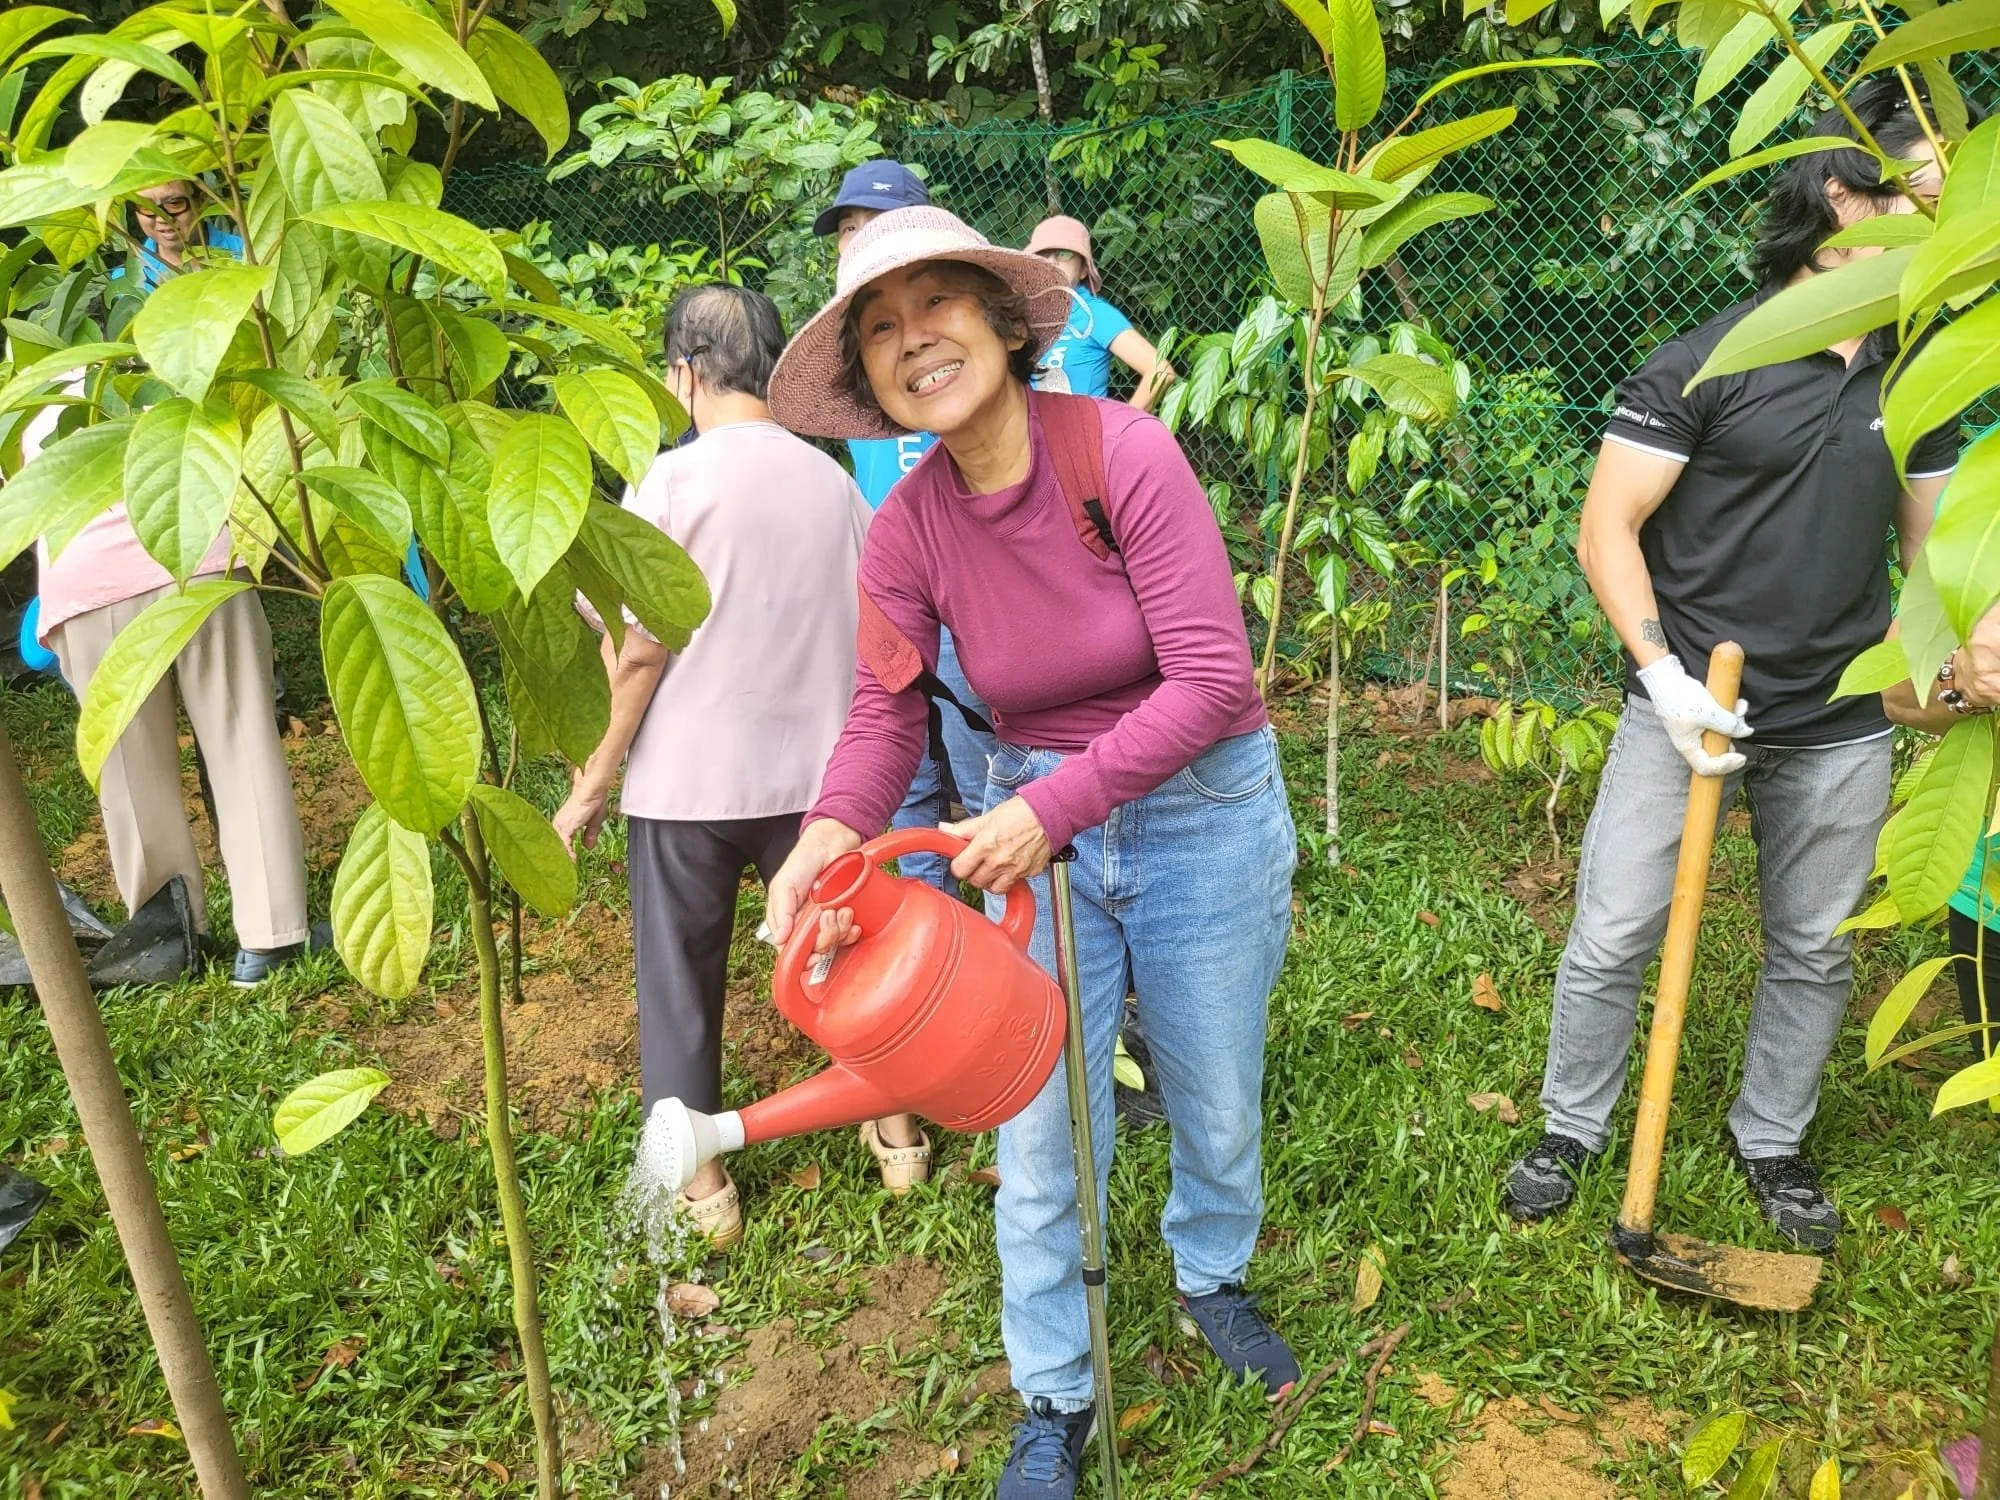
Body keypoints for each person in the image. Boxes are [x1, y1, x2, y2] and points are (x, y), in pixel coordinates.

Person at [764, 205, 1300, 1499]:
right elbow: (886, 712)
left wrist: (1056, 807)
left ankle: (1210, 1272)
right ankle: (1054, 1392)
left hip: (1201, 815)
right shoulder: (904, 534)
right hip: (1031, 839)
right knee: (1043, 1133)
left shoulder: (1126, 454)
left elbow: (1217, 677)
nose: (913, 342)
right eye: (879, 331)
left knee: (1215, 1092)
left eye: (934, 306)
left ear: (1004, 320)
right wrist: (826, 844)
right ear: (869, 381)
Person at [1502, 79, 1964, 1250]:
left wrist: (1949, 661)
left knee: (1811, 948)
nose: (1943, 204)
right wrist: (1656, 676)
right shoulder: (1704, 361)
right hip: (1684, 706)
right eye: (1921, 181)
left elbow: (1934, 555)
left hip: (1836, 718)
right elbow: (1604, 526)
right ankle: (1568, 1126)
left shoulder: (1923, 378)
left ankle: (1771, 1138)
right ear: (1838, 196)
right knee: (1612, 929)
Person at [552, 285, 872, 1249]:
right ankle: (893, 1131)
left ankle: (704, 1188)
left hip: (688, 783)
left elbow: (639, 650)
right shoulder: (834, 482)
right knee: (839, 956)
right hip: (816, 785)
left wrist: (591, 780)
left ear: (685, 372)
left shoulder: (668, 485)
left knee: (679, 983)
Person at [813, 159, 1000, 1188]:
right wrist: (827, 830)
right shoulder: (877, 438)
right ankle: (941, 1007)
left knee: (990, 801)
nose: (902, 324)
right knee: (914, 816)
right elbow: (879, 719)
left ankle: (1019, 997)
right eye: (845, 239)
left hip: (984, 638)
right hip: (899, 606)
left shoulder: (1072, 445)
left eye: (872, 228)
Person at [1024, 215, 1175, 411]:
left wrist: (1122, 429)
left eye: (1063, 253)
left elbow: (1161, 372)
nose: (1051, 262)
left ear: (1084, 270)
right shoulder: (1027, 314)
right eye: (1043, 255)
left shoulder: (1094, 314)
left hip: (1084, 437)